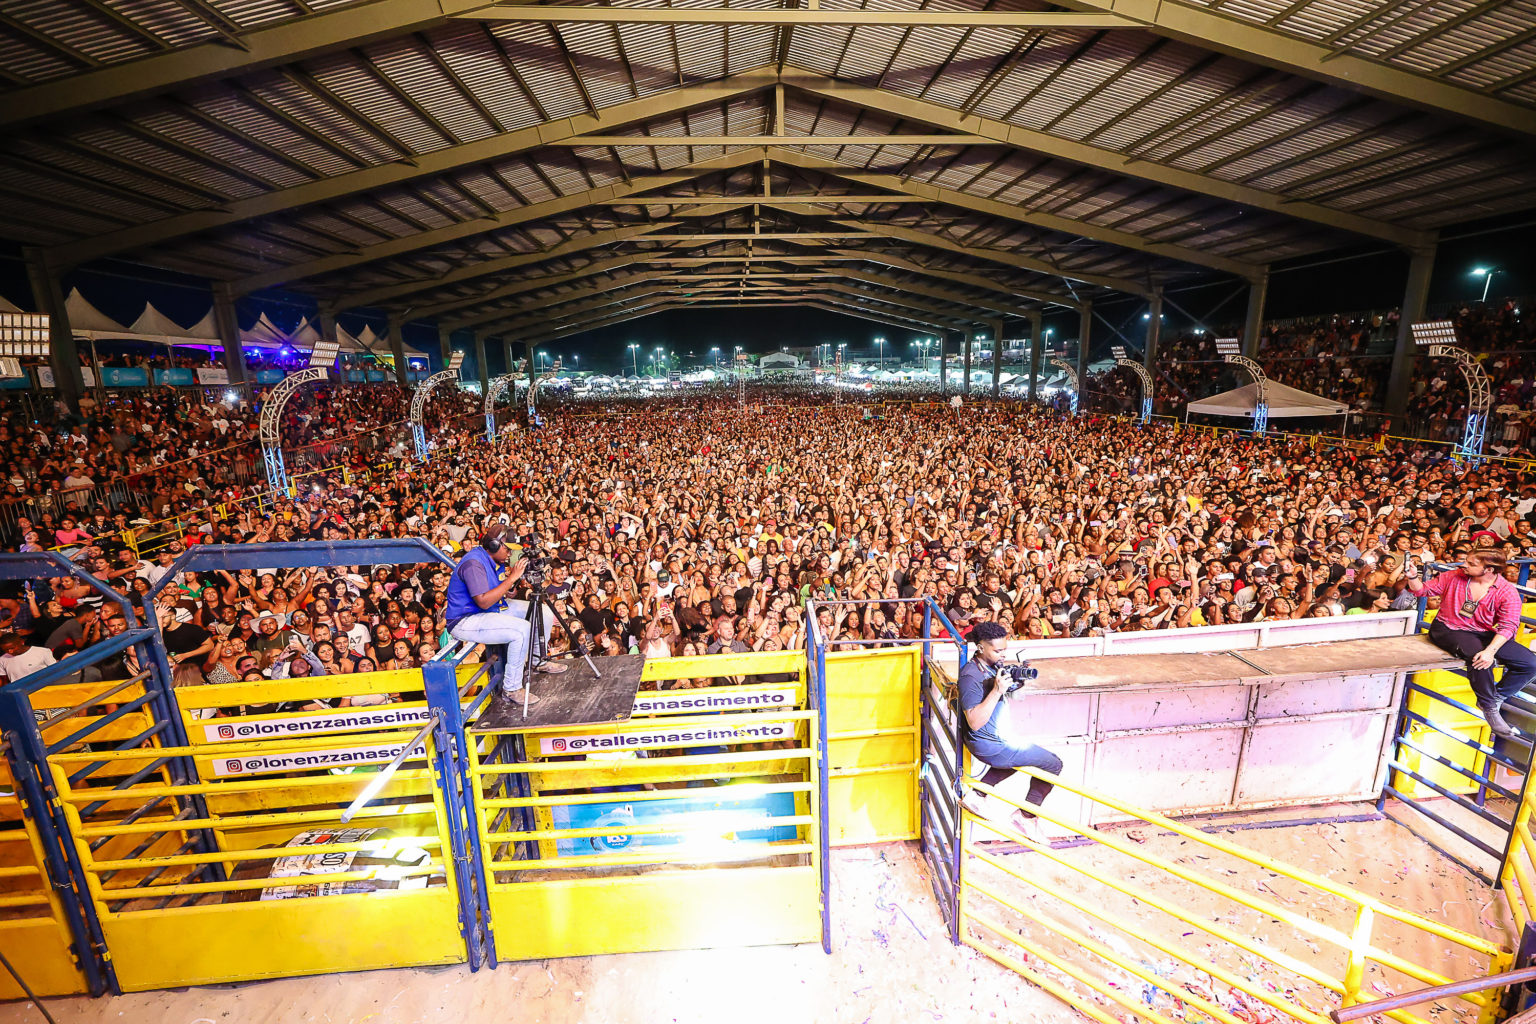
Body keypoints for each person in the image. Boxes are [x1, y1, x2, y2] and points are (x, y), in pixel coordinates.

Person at [1408, 548, 1536, 738]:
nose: (1464, 565)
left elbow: (1508, 626)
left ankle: (1495, 697)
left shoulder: (1506, 591)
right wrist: (1412, 577)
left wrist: (1491, 650)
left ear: (1490, 569)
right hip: (1447, 628)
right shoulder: (1454, 576)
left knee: (1530, 663)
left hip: (1482, 631)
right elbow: (1422, 591)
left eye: (1471, 564)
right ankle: (1490, 707)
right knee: (1478, 657)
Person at [956, 621, 1063, 843]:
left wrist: (1017, 681)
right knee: (1053, 764)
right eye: (997, 650)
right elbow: (974, 721)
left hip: (997, 737)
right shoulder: (970, 676)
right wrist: (997, 690)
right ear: (980, 647)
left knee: (1023, 757)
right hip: (987, 743)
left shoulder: (990, 665)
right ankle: (1026, 816)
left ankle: (979, 794)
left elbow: (1007, 694)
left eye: (1005, 649)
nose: (1003, 654)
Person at [444, 523, 565, 706]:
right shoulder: (473, 563)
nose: (509, 554)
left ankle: (537, 661)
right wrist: (511, 579)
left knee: (544, 612)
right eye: (507, 549)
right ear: (494, 546)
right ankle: (512, 688)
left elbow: (494, 590)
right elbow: (483, 600)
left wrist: (508, 589)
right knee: (521, 629)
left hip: (490, 609)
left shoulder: (494, 560)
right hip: (467, 619)